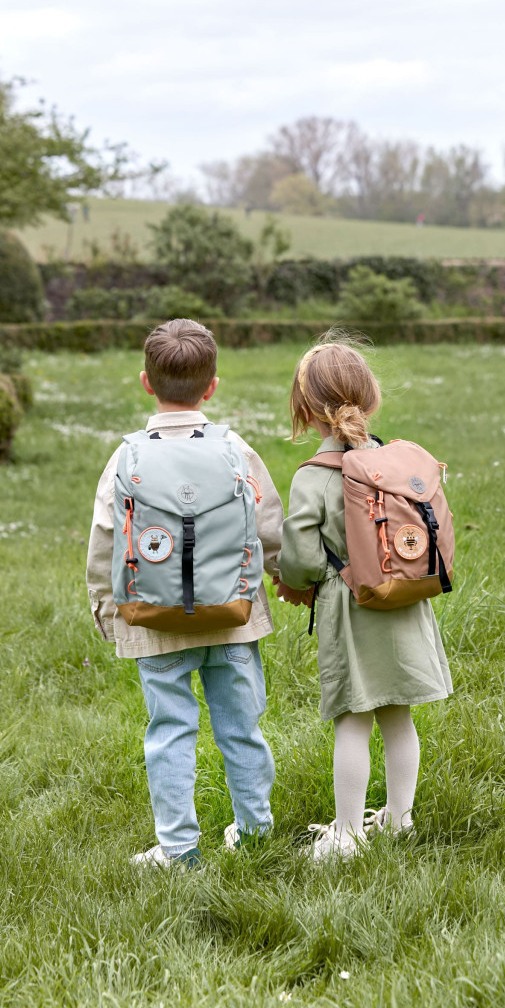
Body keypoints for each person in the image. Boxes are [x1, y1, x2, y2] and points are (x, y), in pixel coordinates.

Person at [86, 319, 283, 869]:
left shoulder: (126, 457)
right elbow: (268, 525)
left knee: (169, 731)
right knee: (241, 728)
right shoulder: (235, 449)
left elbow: (105, 542)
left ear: (145, 383)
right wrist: (284, 576)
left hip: (154, 617)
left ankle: (177, 848)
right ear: (212, 386)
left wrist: (106, 610)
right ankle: (255, 832)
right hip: (233, 615)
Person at [277, 341, 453, 860]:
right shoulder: (394, 463)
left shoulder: (314, 476)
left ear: (306, 411)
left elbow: (300, 559)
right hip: (404, 600)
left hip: (351, 607)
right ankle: (400, 819)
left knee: (353, 720)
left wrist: (298, 580)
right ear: (370, 399)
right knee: (399, 717)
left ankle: (348, 835)